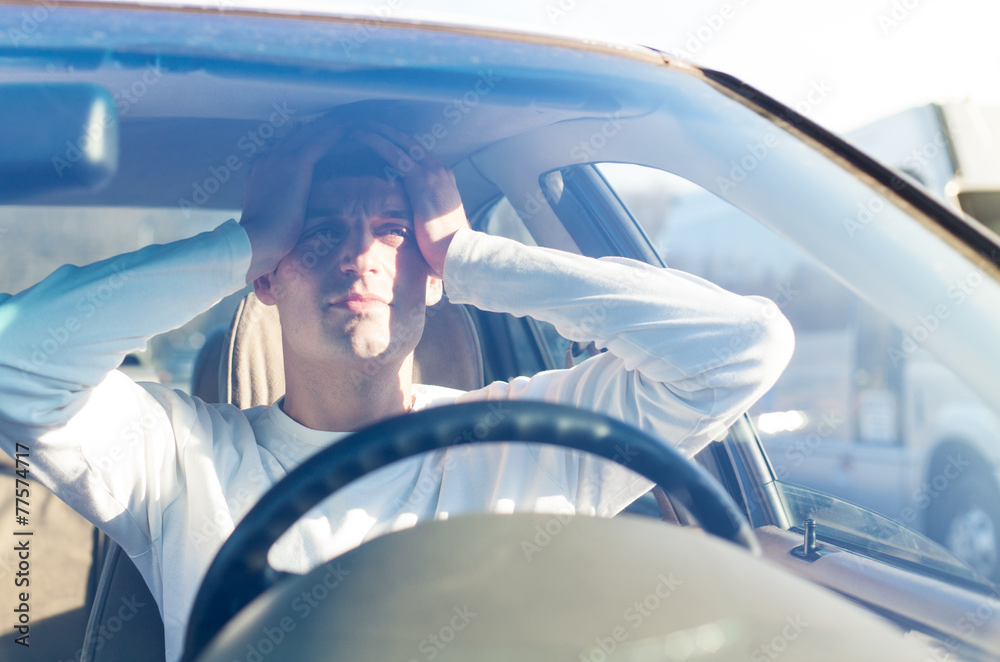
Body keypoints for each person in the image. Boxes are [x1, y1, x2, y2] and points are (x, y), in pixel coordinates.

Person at [0, 119, 794, 661]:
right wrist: (245, 241)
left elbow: (740, 349)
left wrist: (471, 253)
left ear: (433, 272)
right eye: (320, 231)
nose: (360, 256)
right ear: (267, 278)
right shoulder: (180, 457)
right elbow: (15, 362)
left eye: (391, 230)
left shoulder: (531, 441)